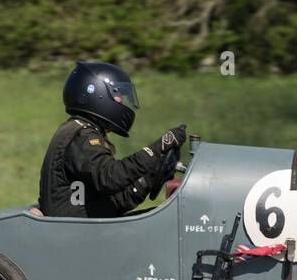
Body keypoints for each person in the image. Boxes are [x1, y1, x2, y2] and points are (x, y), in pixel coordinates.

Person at [38, 61, 186, 218]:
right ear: (97, 93)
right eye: (117, 95)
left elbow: (116, 200)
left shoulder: (78, 130)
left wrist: (151, 176)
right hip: (76, 231)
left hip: (81, 225)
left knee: (169, 218)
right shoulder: (81, 136)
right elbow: (110, 177)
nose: (121, 101)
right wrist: (159, 147)